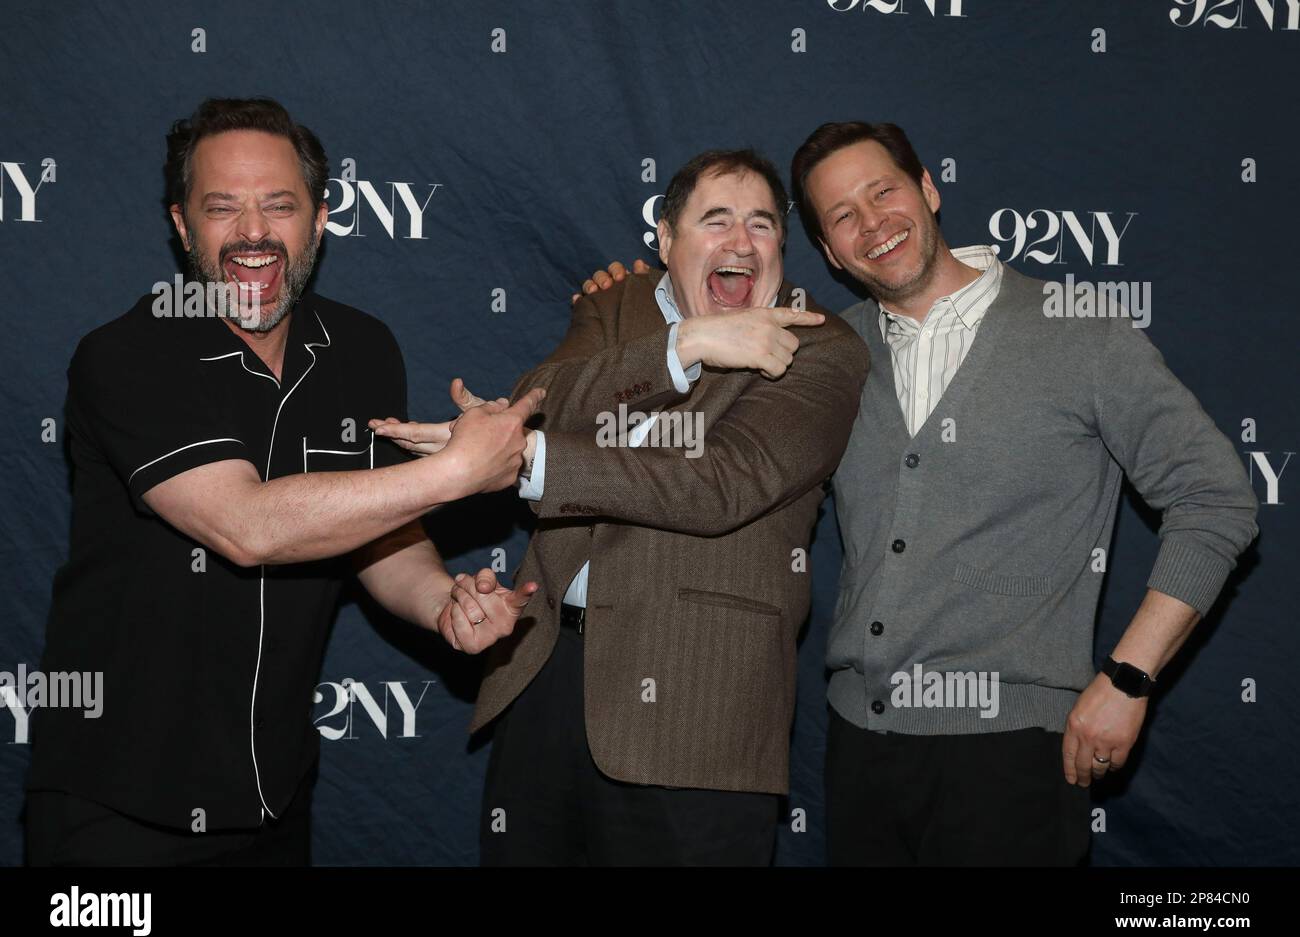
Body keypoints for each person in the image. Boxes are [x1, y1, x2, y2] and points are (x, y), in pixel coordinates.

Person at [580, 122, 1259, 866]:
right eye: (842, 217)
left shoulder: (1080, 331)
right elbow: (701, 463)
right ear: (832, 253)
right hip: (859, 750)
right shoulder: (825, 355)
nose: (872, 224)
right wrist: (636, 305)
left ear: (930, 190)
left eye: (885, 192)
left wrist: (1129, 678)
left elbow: (1216, 501)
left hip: (1014, 751)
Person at [24, 97, 541, 866]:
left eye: (279, 205)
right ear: (181, 225)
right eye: (222, 207)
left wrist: (442, 603)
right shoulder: (128, 355)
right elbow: (246, 526)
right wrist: (458, 472)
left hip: (274, 798)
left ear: (321, 220)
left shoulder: (363, 349)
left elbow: (379, 537)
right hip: (116, 806)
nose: (254, 232)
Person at [378, 148, 870, 865]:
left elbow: (721, 483)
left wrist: (527, 459)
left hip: (700, 703)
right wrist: (685, 344)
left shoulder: (822, 346)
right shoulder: (616, 304)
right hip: (544, 677)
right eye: (717, 221)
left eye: (762, 226)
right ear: (667, 242)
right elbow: (539, 401)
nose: (741, 243)